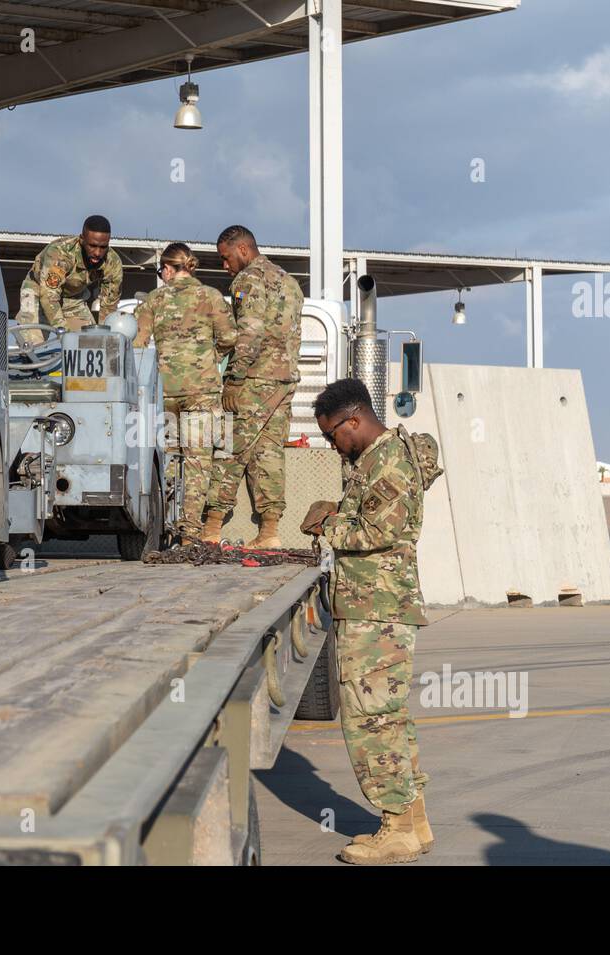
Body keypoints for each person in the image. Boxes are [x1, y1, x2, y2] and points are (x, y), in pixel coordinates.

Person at [301, 378, 442, 865]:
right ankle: (411, 822)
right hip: (375, 608)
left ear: (354, 420)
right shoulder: (372, 459)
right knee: (389, 721)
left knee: (371, 723)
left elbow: (382, 529)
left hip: (376, 613)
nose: (330, 445)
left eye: (331, 435)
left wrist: (327, 523)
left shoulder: (388, 459)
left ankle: (397, 828)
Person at [202, 224, 302, 548]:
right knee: (268, 452)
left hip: (255, 379)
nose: (224, 266)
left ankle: (212, 527)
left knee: (231, 447)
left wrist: (233, 379)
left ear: (243, 250)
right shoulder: (289, 282)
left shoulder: (247, 280)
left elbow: (249, 334)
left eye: (226, 257)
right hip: (284, 380)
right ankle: (270, 532)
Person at [133, 243, 237, 544]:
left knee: (164, 460)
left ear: (167, 269)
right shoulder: (211, 297)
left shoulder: (154, 300)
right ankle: (190, 533)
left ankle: (161, 526)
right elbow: (230, 336)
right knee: (197, 462)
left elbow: (138, 344)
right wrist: (210, 358)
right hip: (202, 389)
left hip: (165, 390)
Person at [15, 215, 122, 339]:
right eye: (92, 246)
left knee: (90, 342)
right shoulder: (60, 253)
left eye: (103, 247)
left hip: (73, 298)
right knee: (32, 347)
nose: (97, 253)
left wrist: (106, 337)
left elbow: (109, 305)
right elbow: (48, 296)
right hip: (39, 293)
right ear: (82, 240)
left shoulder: (112, 262)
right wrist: (64, 333)